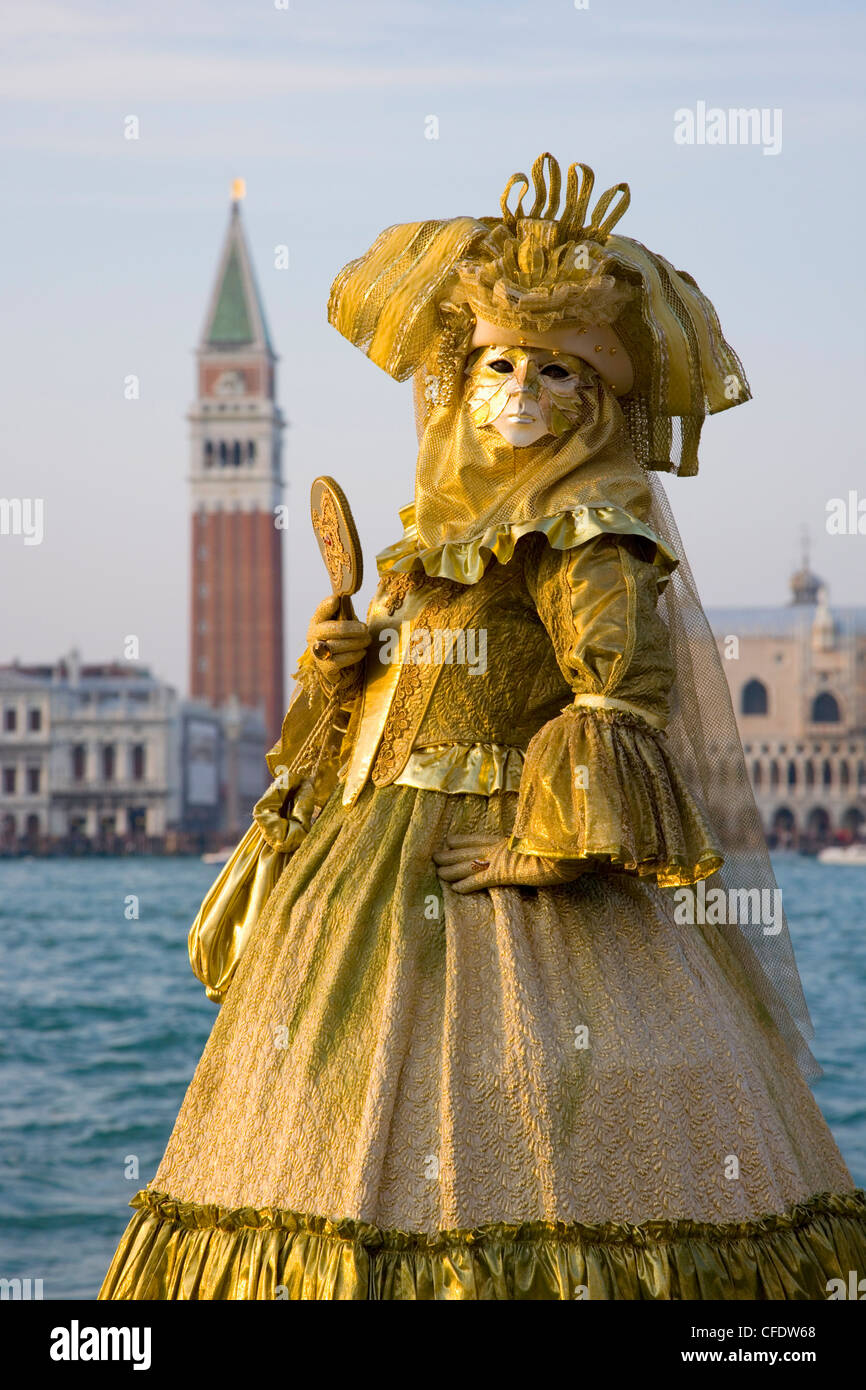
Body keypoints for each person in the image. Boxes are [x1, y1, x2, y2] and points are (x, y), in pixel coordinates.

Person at [100, 154, 866, 1300]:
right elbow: (385, 705)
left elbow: (615, 700)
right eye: (499, 365)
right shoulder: (431, 539)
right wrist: (342, 663)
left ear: (594, 395)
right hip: (370, 859)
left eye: (551, 370)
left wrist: (542, 847)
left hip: (512, 877)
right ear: (458, 380)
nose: (518, 392)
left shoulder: (587, 530)